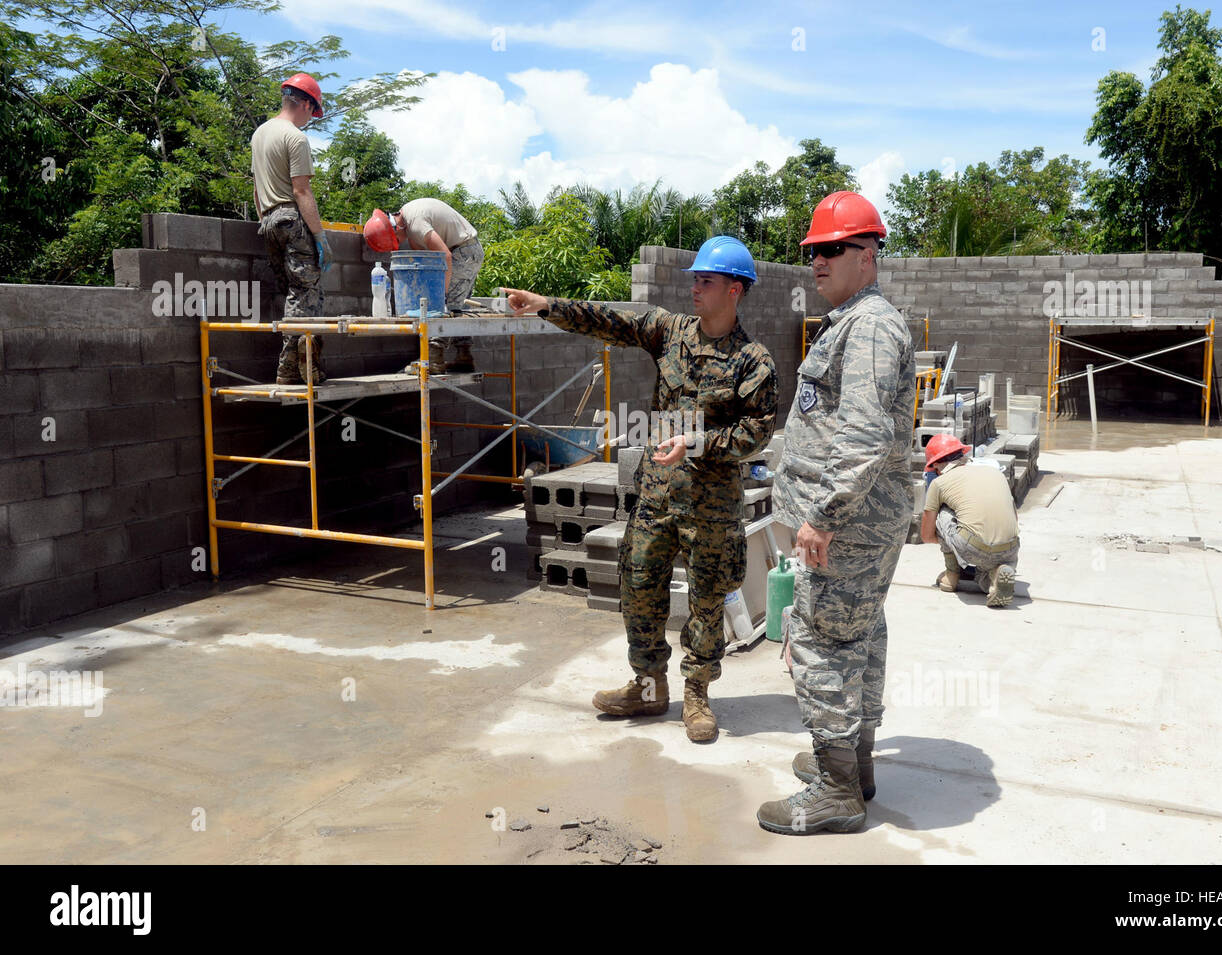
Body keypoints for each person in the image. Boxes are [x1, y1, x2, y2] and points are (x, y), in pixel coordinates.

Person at [499, 236, 778, 743]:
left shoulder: (753, 362)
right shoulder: (669, 332)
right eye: (694, 279)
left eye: (707, 281)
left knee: (708, 600)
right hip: (656, 496)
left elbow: (756, 434)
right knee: (639, 587)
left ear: (735, 290)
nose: (695, 288)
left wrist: (699, 441)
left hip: (711, 507)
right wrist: (548, 307)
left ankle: (698, 695)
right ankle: (649, 688)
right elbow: (613, 320)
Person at [758, 191, 914, 835]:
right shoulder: (853, 320)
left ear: (867, 254)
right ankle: (858, 764)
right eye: (812, 252)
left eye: (830, 250)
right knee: (860, 634)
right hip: (860, 522)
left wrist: (822, 515)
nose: (816, 263)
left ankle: (836, 788)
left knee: (822, 639)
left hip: (848, 525)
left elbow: (864, 433)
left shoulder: (871, 325)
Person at [251, 72, 332, 385]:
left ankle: (303, 365)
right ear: (306, 104)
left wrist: (265, 220)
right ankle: (290, 369)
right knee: (305, 293)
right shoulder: (295, 138)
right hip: (291, 218)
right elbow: (301, 192)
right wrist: (320, 236)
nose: (312, 118)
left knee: (292, 293)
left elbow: (258, 189)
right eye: (313, 111)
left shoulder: (260, 134)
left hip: (269, 219)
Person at [363, 199, 484, 373]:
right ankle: (463, 356)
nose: (399, 242)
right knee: (458, 306)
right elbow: (424, 260)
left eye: (396, 240)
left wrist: (441, 294)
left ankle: (433, 359)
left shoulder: (416, 224)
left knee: (445, 306)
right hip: (467, 250)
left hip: (463, 251)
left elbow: (446, 257)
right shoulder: (408, 219)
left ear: (395, 229)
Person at [920, 434, 1020, 607]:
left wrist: (954, 546)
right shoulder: (994, 472)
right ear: (962, 455)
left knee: (942, 513)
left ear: (935, 464)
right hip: (1010, 549)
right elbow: (1014, 516)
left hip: (973, 548)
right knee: (983, 576)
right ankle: (994, 576)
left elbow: (927, 535)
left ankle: (951, 576)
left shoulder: (939, 483)